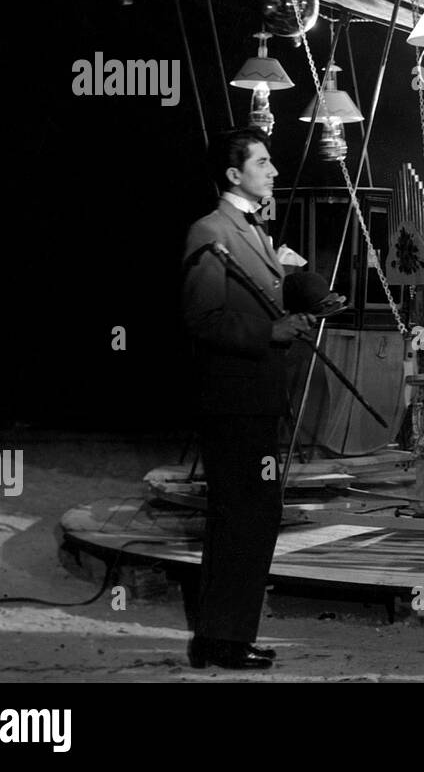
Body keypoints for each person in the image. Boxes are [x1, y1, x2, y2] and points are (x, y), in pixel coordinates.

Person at [181, 127, 314, 670]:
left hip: (257, 397)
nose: (274, 171)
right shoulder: (210, 231)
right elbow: (202, 318)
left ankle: (226, 637)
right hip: (233, 402)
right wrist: (271, 333)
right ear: (235, 174)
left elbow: (260, 299)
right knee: (242, 518)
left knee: (253, 519)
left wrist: (300, 309)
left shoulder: (253, 230)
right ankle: (221, 640)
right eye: (262, 163)